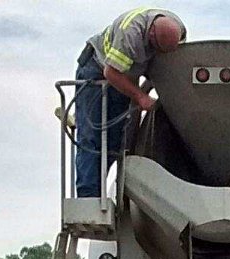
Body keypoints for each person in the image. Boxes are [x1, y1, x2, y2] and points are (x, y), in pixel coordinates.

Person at [73, 8, 186, 198]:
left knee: (116, 141)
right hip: (97, 70)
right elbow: (111, 73)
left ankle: (103, 191)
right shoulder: (130, 34)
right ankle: (89, 198)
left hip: (126, 75)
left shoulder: (177, 31)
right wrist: (141, 97)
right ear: (151, 34)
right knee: (92, 138)